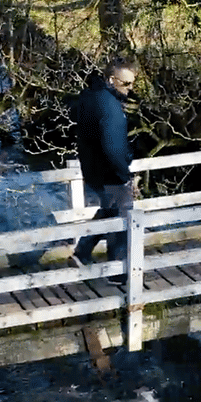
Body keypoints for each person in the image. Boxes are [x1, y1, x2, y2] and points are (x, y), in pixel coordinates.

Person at [69, 58, 138, 284]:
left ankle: (82, 253)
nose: (130, 89)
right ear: (111, 79)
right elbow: (113, 148)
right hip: (109, 173)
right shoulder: (110, 108)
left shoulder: (90, 96)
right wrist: (125, 175)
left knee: (109, 211)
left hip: (92, 169)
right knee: (122, 218)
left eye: (132, 84)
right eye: (126, 84)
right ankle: (118, 274)